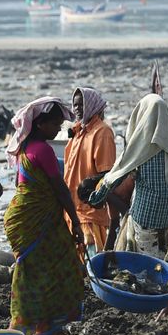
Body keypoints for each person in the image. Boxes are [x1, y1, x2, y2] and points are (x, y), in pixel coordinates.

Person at [3, 97, 85, 335]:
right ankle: (40, 322)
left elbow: (21, 185)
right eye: (55, 124)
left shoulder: (25, 148)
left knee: (36, 267)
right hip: (35, 218)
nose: (59, 129)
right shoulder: (43, 150)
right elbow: (60, 189)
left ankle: (39, 322)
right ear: (40, 124)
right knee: (56, 264)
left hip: (22, 216)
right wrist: (75, 221)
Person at [88, 93, 168, 255]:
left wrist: (97, 196)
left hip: (145, 215)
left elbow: (119, 172)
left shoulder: (142, 146)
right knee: (161, 253)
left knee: (145, 258)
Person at [63, 88, 116, 255]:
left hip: (90, 212)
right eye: (75, 105)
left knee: (92, 259)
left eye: (82, 104)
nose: (77, 109)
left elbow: (107, 174)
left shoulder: (102, 132)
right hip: (73, 210)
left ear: (92, 105)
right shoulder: (77, 132)